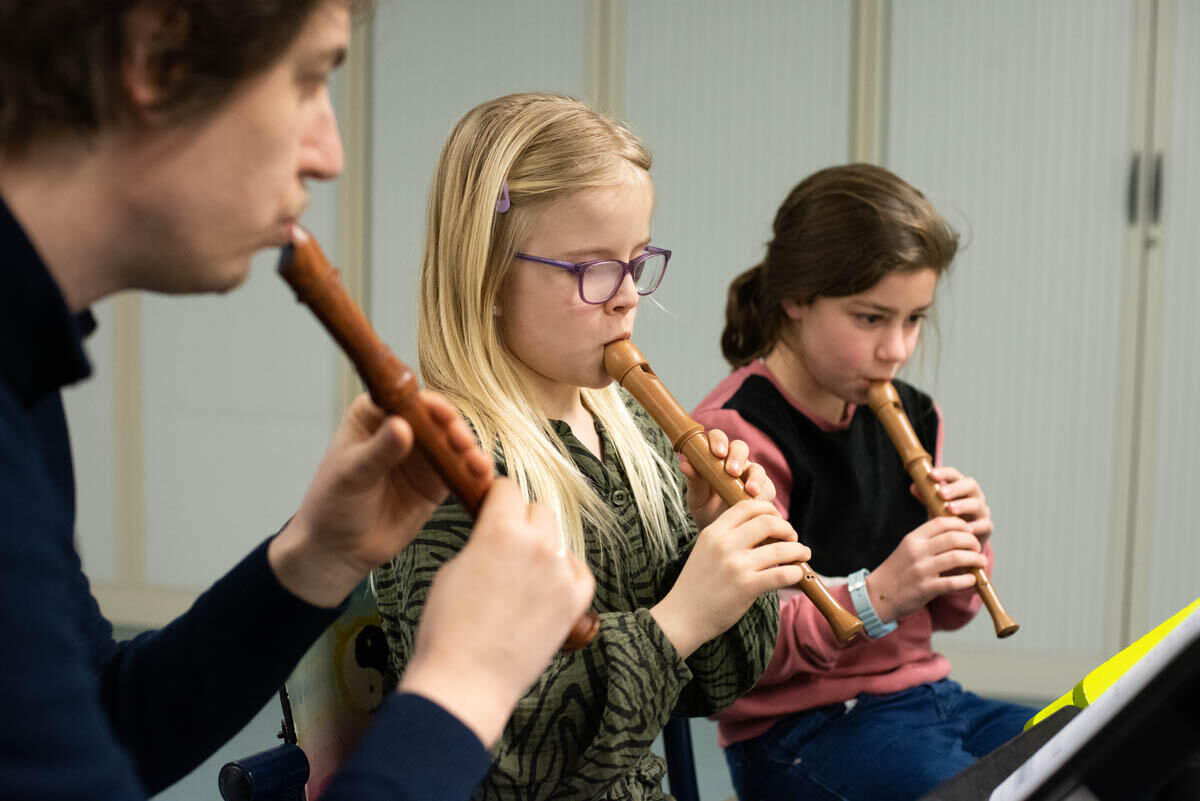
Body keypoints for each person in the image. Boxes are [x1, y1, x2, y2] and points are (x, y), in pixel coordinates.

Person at [0, 3, 594, 800]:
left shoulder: (25, 384)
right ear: (157, 56)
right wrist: (462, 690)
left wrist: (315, 561)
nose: (329, 153)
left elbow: (104, 726)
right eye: (311, 78)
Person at [372, 92, 813, 801]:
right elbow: (503, 763)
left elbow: (714, 686)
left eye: (637, 261)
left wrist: (716, 546)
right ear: (487, 275)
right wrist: (677, 622)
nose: (627, 297)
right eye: (590, 269)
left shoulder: (627, 427)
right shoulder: (449, 469)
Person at [692, 164, 1034, 801]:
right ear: (795, 298)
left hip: (925, 696)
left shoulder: (913, 412)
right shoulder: (736, 433)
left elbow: (951, 615)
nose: (896, 350)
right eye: (872, 319)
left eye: (914, 320)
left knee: (1090, 750)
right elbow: (742, 652)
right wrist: (876, 595)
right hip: (798, 729)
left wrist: (966, 548)